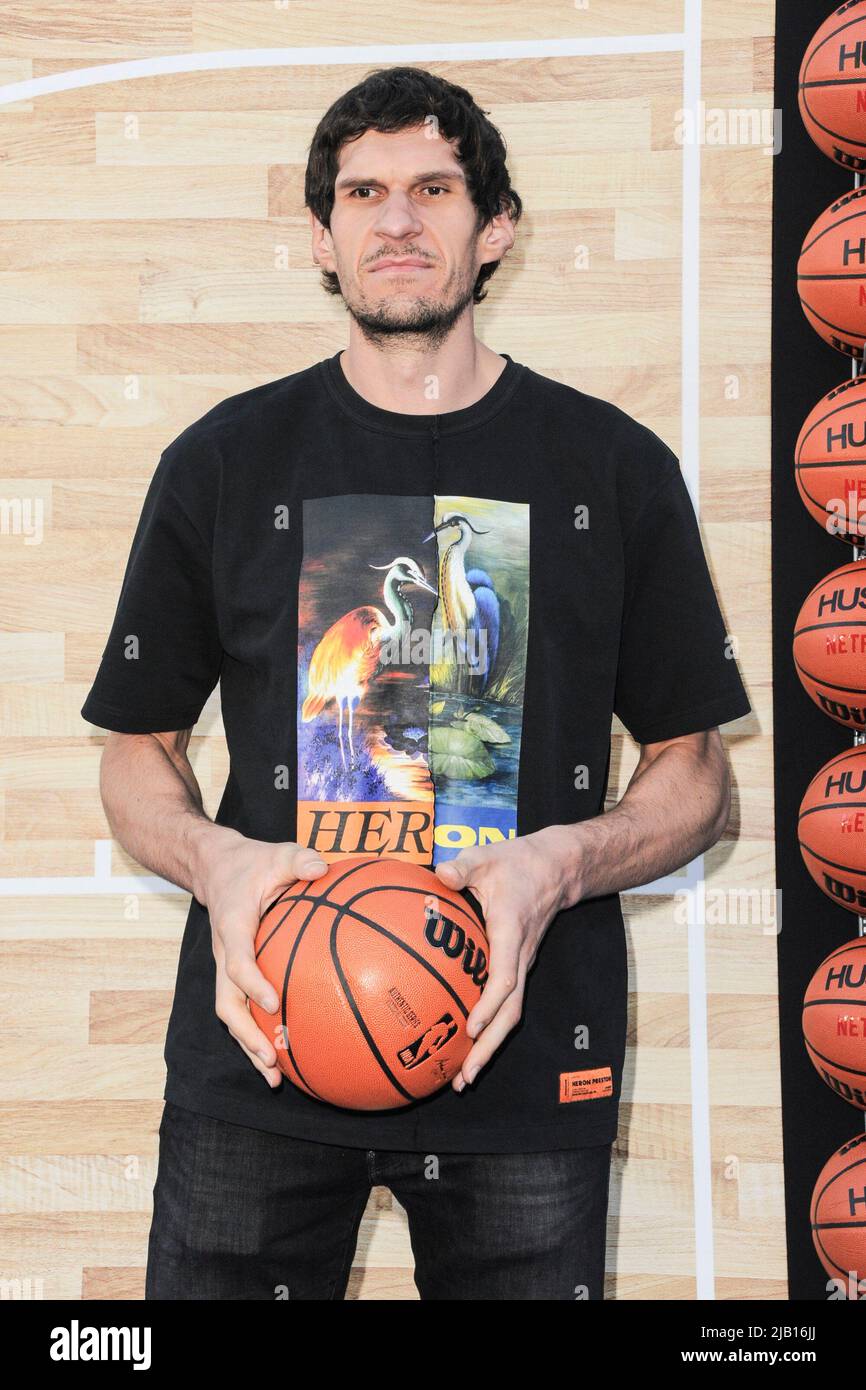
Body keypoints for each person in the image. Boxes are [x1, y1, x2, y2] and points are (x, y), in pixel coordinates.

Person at [81, 66, 751, 1301]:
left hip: (520, 1051)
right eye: (364, 193)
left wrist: (559, 863)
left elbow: (695, 779)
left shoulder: (612, 465)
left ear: (493, 226)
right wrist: (214, 859)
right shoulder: (223, 460)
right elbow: (136, 752)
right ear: (323, 241)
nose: (397, 219)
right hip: (263, 1053)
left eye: (433, 188)